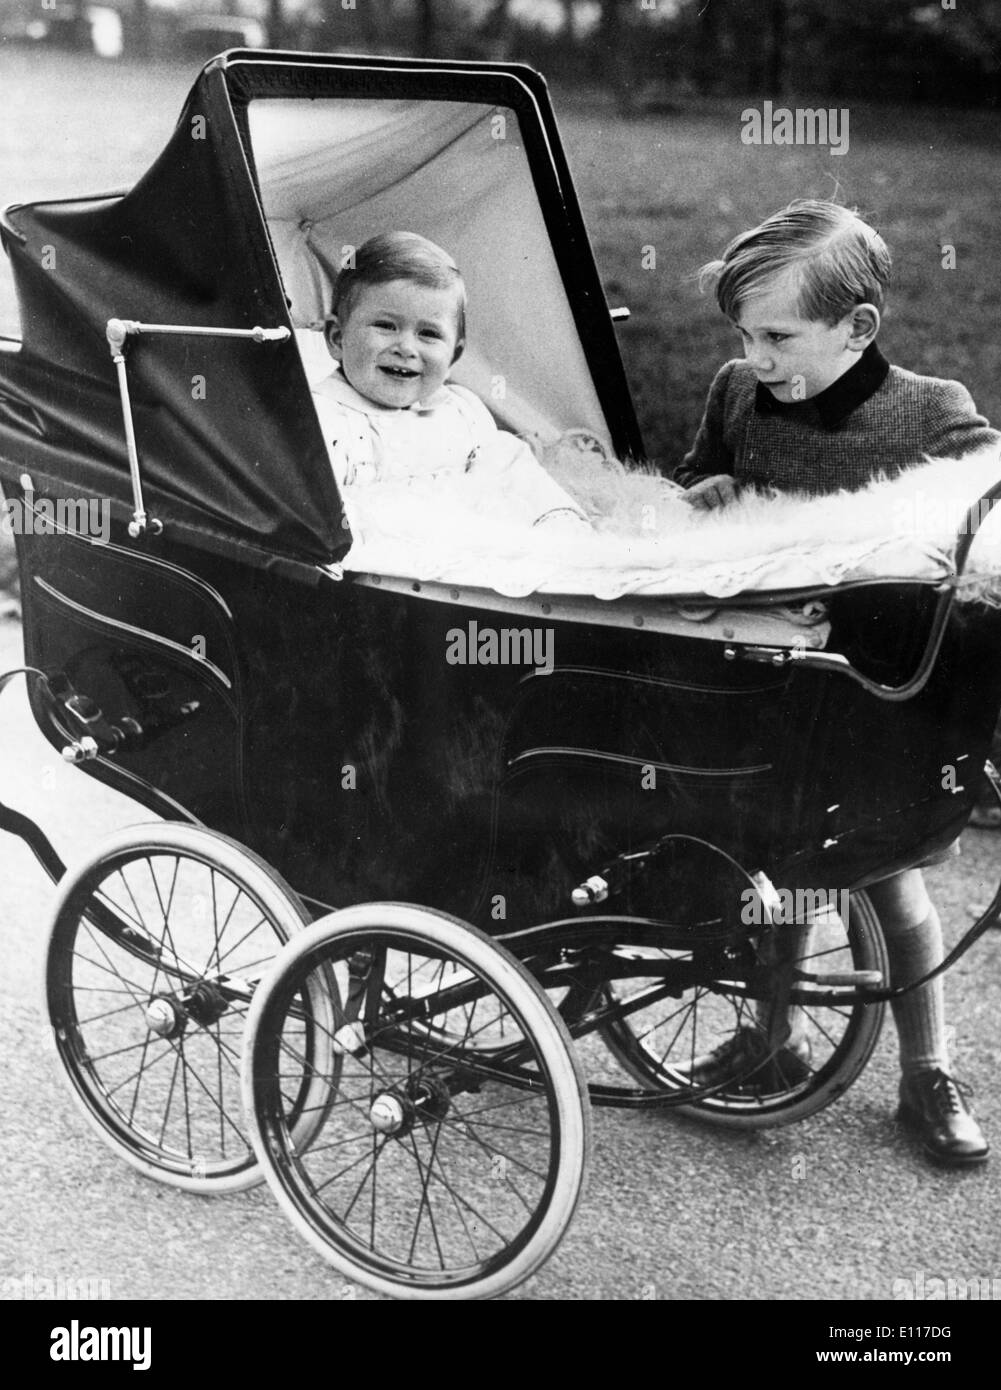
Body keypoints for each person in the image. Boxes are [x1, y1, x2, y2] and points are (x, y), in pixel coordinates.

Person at [674, 199, 1001, 1165]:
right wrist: (706, 499)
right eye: (743, 333)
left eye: (778, 335)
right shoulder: (738, 392)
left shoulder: (930, 411)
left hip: (873, 681)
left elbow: (982, 535)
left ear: (858, 329)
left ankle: (925, 1070)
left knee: (885, 877)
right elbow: (705, 482)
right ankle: (774, 1039)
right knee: (769, 868)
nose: (756, 355)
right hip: (767, 667)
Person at [310, 231, 590, 534]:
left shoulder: (460, 411)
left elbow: (512, 471)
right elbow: (318, 514)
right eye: (385, 326)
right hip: (392, 567)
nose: (406, 348)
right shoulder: (323, 420)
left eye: (428, 334)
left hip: (479, 555)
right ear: (337, 338)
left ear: (454, 354)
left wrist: (555, 519)